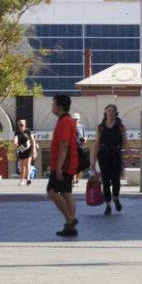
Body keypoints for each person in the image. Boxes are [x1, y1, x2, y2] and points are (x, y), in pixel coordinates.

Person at [47, 94, 81, 237]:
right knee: (66, 193)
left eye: (53, 104)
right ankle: (70, 227)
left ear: (59, 106)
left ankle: (69, 219)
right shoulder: (66, 121)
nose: (52, 107)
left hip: (63, 165)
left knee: (52, 191)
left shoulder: (64, 122)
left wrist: (59, 167)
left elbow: (64, 144)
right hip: (68, 164)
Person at [89, 104, 125, 215]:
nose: (110, 113)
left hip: (115, 154)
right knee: (105, 180)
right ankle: (108, 205)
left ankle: (115, 197)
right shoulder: (100, 127)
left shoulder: (120, 127)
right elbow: (96, 144)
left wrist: (131, 156)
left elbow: (125, 142)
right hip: (103, 154)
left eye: (112, 111)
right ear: (105, 113)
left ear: (115, 112)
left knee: (115, 179)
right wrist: (93, 161)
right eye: (108, 111)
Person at [14, 119, 35, 186]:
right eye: (19, 125)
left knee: (27, 165)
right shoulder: (17, 132)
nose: (21, 126)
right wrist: (15, 142)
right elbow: (15, 138)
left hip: (28, 149)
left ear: (25, 125)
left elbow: (32, 140)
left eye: (22, 125)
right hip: (21, 150)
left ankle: (28, 179)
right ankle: (22, 180)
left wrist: (34, 148)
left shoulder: (28, 131)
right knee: (22, 166)